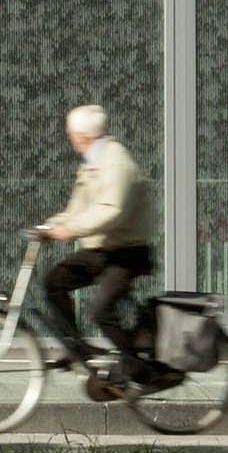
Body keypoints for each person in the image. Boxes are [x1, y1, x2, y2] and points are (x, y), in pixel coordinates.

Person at [34, 103, 156, 380]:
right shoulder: (93, 163)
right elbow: (77, 210)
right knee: (55, 282)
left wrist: (71, 229)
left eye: (70, 133)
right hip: (102, 249)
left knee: (101, 310)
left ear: (81, 136)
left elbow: (111, 210)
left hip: (127, 253)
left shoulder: (116, 161)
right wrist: (48, 227)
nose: (69, 138)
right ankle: (76, 348)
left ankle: (138, 367)